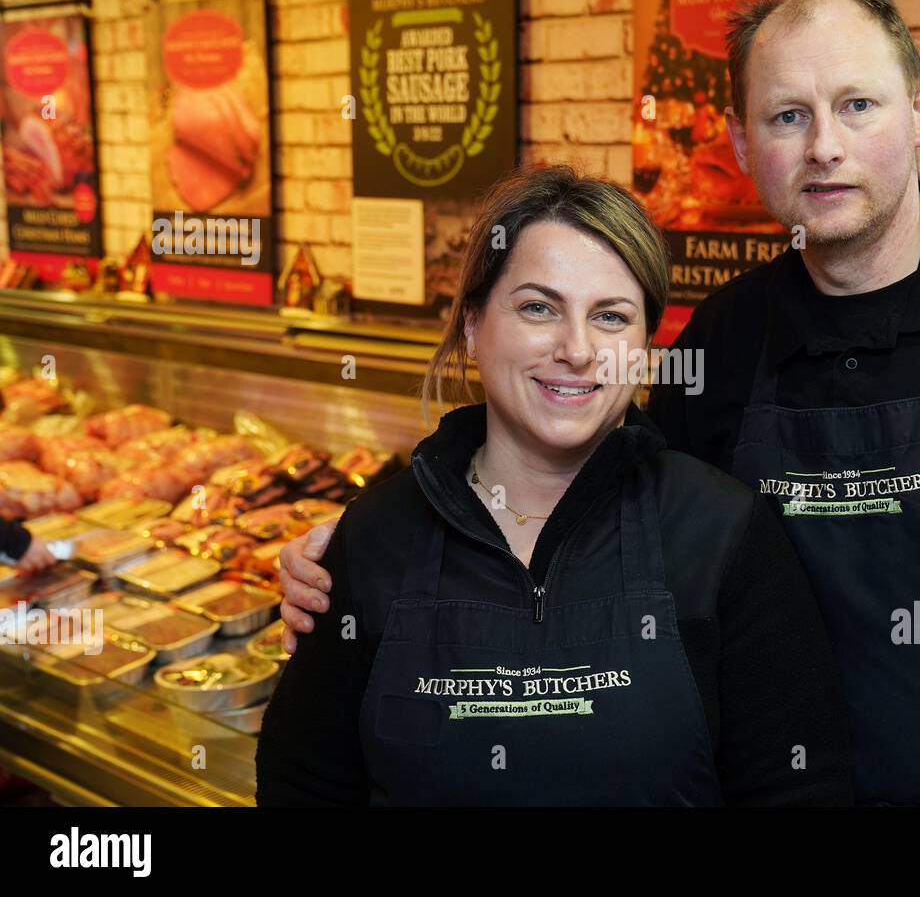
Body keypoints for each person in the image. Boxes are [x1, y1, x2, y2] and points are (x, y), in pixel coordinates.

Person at [280, 0, 920, 806]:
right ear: (742, 142)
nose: (824, 145)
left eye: (858, 105)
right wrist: (369, 554)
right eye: (788, 116)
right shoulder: (725, 342)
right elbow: (598, 519)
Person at [256, 166, 853, 806]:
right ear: (472, 325)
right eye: (539, 307)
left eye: (611, 317)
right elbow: (303, 788)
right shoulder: (375, 537)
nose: (577, 348)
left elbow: (798, 791)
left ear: (645, 345)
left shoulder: (724, 535)